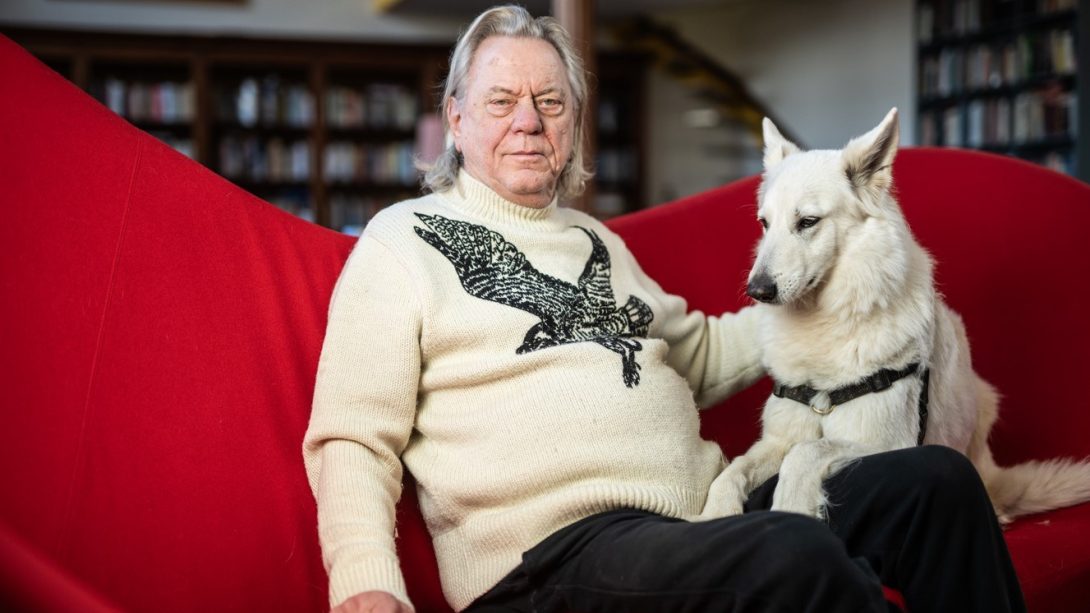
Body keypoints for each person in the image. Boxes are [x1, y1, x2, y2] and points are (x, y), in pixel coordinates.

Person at [302, 5, 1026, 613]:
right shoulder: (402, 241)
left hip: (702, 512)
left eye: (550, 102)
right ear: (456, 119)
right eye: (501, 101)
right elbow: (353, 435)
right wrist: (367, 585)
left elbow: (702, 355)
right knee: (794, 553)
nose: (528, 120)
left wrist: (836, 296)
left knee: (937, 481)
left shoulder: (594, 240)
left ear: (573, 126)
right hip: (553, 554)